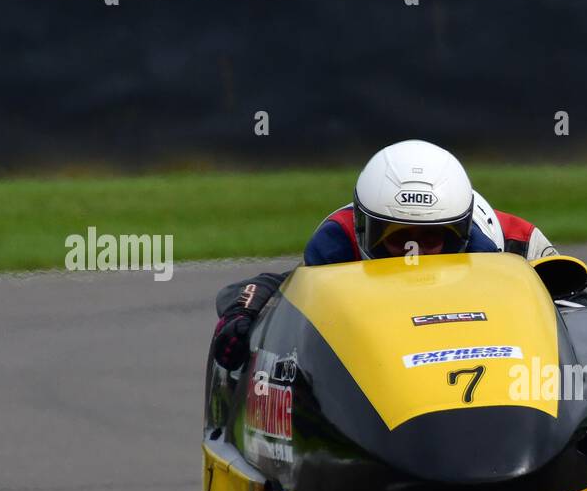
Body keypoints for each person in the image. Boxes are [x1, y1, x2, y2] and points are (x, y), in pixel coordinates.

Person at [211, 139, 558, 370]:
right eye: (399, 237)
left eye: (431, 239)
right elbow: (287, 292)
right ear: (365, 229)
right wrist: (243, 309)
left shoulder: (512, 246)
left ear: (461, 236)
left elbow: (579, 311)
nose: (413, 254)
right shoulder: (336, 245)